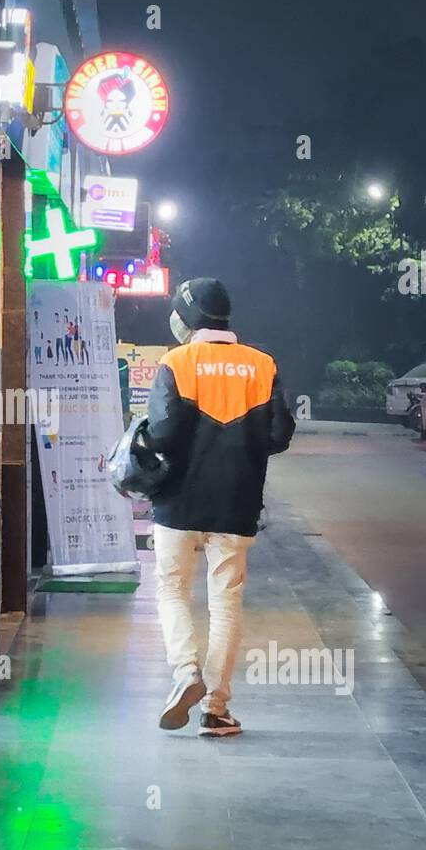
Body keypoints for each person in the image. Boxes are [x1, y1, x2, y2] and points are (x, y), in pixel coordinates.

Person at [146, 278, 295, 736]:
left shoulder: (177, 362)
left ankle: (185, 673)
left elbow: (162, 435)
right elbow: (279, 436)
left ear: (187, 318)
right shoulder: (261, 365)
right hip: (237, 505)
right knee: (226, 602)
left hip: (178, 503)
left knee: (173, 590)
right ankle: (216, 707)